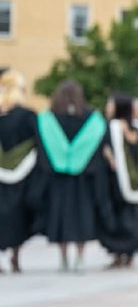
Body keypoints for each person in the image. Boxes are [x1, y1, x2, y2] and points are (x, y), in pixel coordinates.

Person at [38, 80, 112, 272]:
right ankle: (80, 257)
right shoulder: (92, 119)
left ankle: (63, 259)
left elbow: (42, 153)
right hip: (83, 180)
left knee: (60, 217)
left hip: (58, 179)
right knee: (82, 217)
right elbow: (97, 152)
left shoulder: (48, 119)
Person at [99, 93, 138, 269]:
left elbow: (105, 149)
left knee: (118, 216)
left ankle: (119, 253)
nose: (108, 107)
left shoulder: (111, 126)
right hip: (135, 180)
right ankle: (128, 253)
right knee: (132, 216)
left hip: (116, 182)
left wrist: (108, 157)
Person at [0, 70, 45, 275]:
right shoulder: (29, 116)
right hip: (24, 176)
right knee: (18, 217)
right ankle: (15, 257)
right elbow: (39, 144)